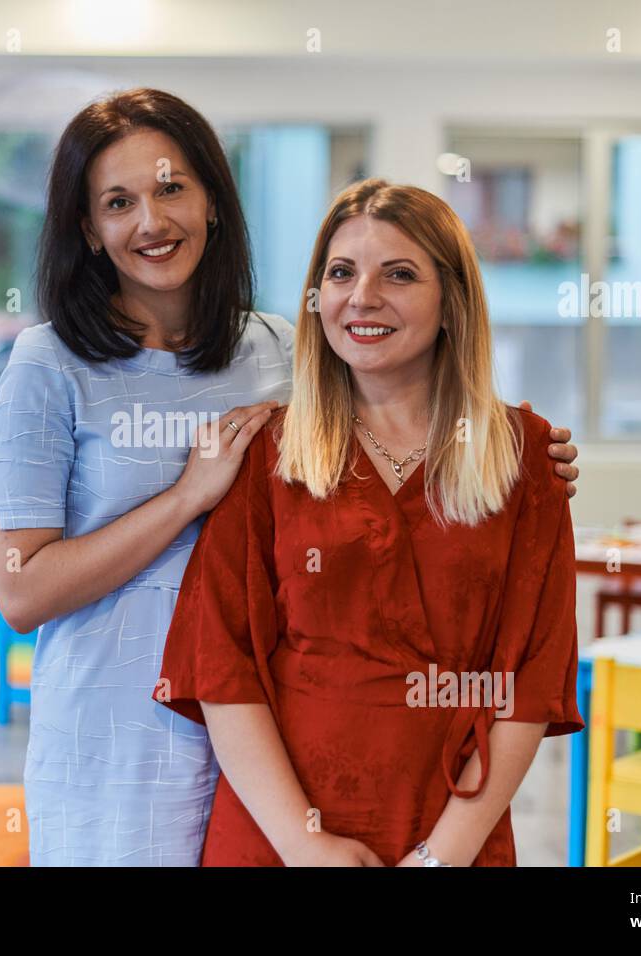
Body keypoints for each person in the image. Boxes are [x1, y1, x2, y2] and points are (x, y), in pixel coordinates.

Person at [0, 90, 581, 866]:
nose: (151, 220)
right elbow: (20, 591)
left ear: (214, 203)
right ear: (89, 231)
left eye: (171, 188)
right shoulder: (47, 363)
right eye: (117, 202)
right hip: (123, 742)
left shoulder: (279, 349)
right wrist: (188, 497)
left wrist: (526, 453)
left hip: (279, 758)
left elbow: (398, 391)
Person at [157, 179, 584, 866]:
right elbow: (220, 665)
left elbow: (530, 679)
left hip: (453, 824)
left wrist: (442, 855)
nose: (362, 297)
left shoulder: (526, 455)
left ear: (452, 302)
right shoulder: (266, 453)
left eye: (400, 275)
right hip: (279, 831)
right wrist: (304, 842)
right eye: (341, 273)